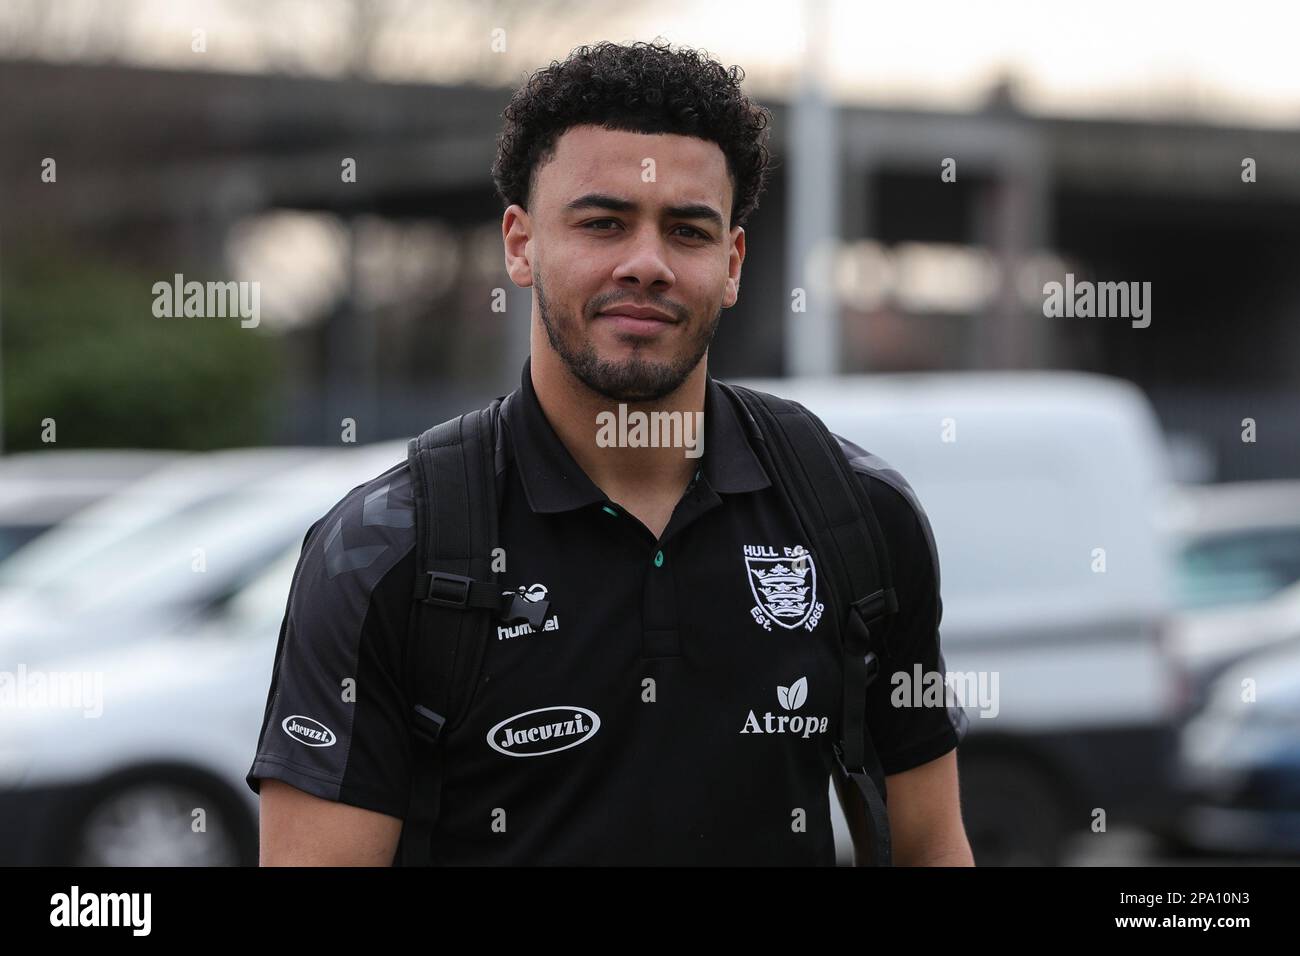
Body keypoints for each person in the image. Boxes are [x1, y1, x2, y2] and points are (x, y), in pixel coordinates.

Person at [249, 39, 972, 866]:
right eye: (603, 223)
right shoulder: (386, 551)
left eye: (687, 231)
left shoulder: (857, 515)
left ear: (732, 264)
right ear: (520, 244)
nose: (646, 264)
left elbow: (931, 848)